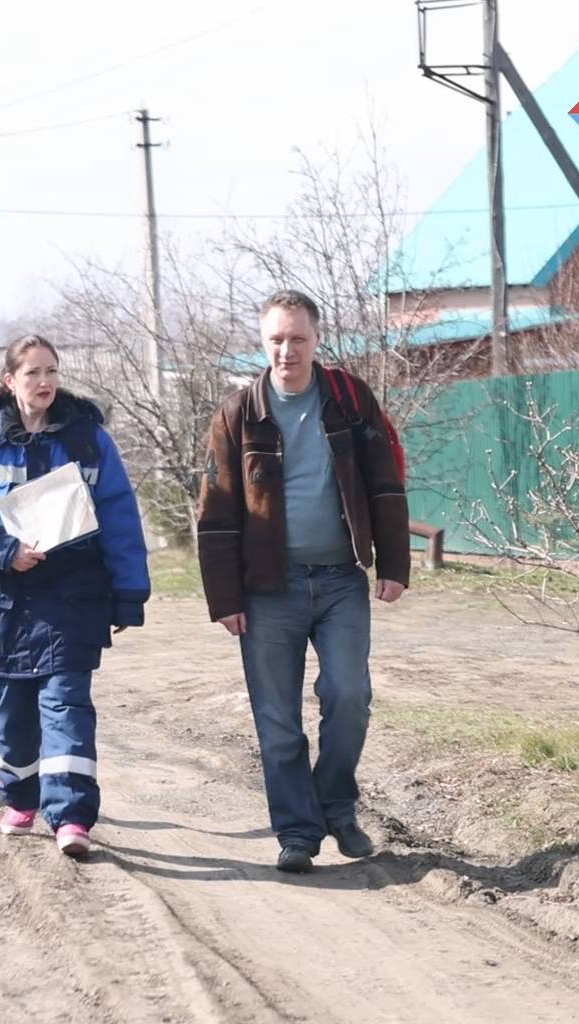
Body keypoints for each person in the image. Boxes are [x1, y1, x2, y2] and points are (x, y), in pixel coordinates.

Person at [194, 289, 410, 873]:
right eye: (276, 339)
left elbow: (384, 481)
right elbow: (215, 512)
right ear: (263, 343)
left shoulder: (348, 399)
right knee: (278, 718)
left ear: (317, 340)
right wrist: (225, 598)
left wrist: (393, 563)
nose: (286, 350)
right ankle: (297, 832)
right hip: (268, 589)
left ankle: (336, 806)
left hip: (341, 579)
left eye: (297, 338)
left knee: (350, 696)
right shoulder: (239, 413)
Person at [0, 334, 149, 856]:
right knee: (13, 711)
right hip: (4, 601)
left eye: (51, 370)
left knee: (66, 704)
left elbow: (119, 517)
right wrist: (1, 549)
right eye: (33, 373)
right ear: (10, 382)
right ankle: (21, 797)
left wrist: (129, 592)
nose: (45, 381)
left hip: (74, 597)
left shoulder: (88, 439)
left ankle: (71, 816)